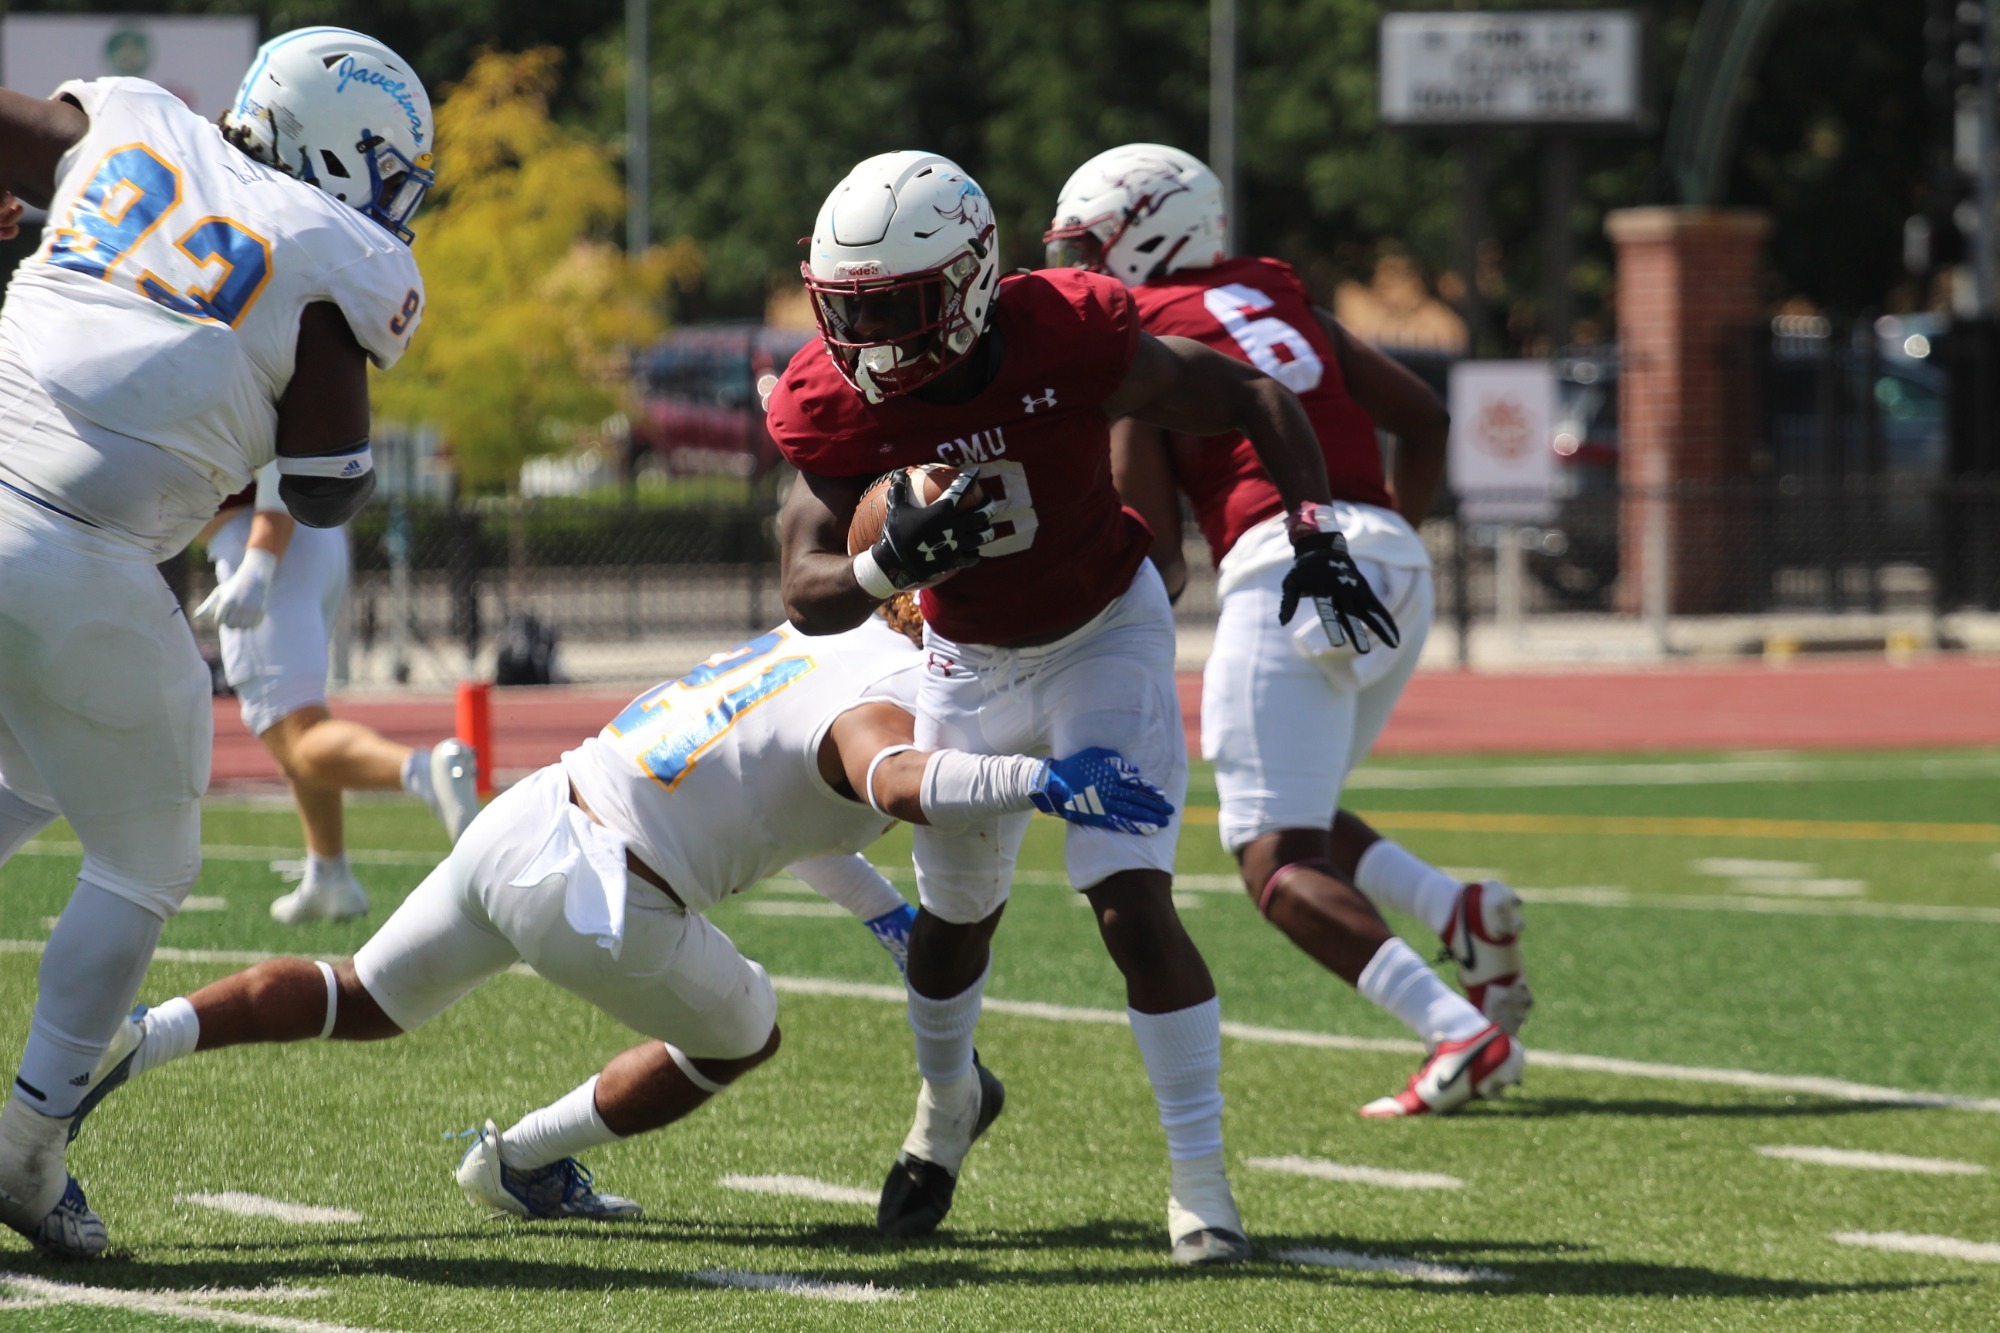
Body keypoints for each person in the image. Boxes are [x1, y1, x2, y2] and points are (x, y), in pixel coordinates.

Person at [770, 150, 1396, 1265]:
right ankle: (945, 1103)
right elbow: (805, 588)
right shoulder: (828, 398)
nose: (867, 341)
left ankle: (1202, 1185)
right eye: (846, 311)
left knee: (1128, 904)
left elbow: (1252, 393)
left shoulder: (1067, 331)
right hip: (964, 655)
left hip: (1104, 627)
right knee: (956, 922)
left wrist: (1313, 532)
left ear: (966, 284)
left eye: (895, 310)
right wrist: (883, 571)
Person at [73, 607, 1176, 1220]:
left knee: (359, 994)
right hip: (603, 886)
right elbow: (886, 776)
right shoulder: (891, 692)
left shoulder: (812, 640)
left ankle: (149, 1033)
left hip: (532, 811)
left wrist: (884, 916)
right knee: (746, 1031)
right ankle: (521, 1161)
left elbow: (791, 809)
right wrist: (1039, 782)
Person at [0, 26, 435, 1256]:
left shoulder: (134, 122)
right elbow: (336, 481)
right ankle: (27, 1149)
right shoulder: (334, 259)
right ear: (346, 152)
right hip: (75, 550)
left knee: (29, 770)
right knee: (143, 858)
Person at [1045, 143, 1531, 1118]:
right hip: (1387, 556)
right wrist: (1383, 539)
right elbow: (1425, 418)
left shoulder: (1142, 330)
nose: (1081, 271)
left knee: (1270, 852)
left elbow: (1149, 535)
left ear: (1150, 232)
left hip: (1282, 561)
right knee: (1293, 805)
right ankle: (1455, 910)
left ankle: (1457, 1030)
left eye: (1090, 248)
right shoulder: (1277, 296)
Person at [196, 462, 479, 922]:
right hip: (310, 537)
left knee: (293, 732)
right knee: (302, 723)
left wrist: (258, 563)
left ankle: (423, 772)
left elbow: (274, 448)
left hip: (263, 538)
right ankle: (329, 874)